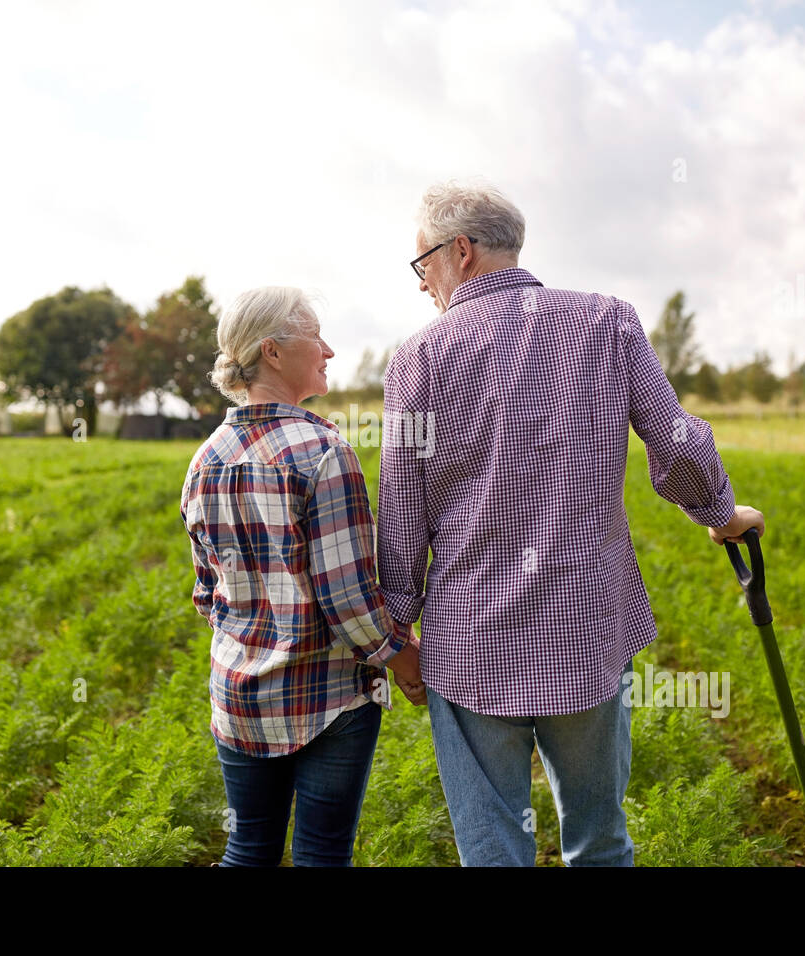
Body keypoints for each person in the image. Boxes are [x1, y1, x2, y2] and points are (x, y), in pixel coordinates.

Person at [376, 180, 765, 866]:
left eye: (422, 263)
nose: (420, 283)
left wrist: (395, 626)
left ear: (461, 252)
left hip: (472, 643)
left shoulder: (419, 358)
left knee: (493, 849)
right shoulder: (605, 321)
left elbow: (402, 506)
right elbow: (674, 440)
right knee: (600, 841)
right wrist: (720, 514)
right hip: (585, 629)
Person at [180, 285, 424, 867]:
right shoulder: (323, 452)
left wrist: (256, 629)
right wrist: (402, 658)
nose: (330, 350)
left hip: (237, 695)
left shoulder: (204, 458)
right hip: (328, 701)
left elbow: (208, 593)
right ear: (272, 351)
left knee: (248, 850)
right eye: (315, 337)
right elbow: (347, 600)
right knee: (321, 855)